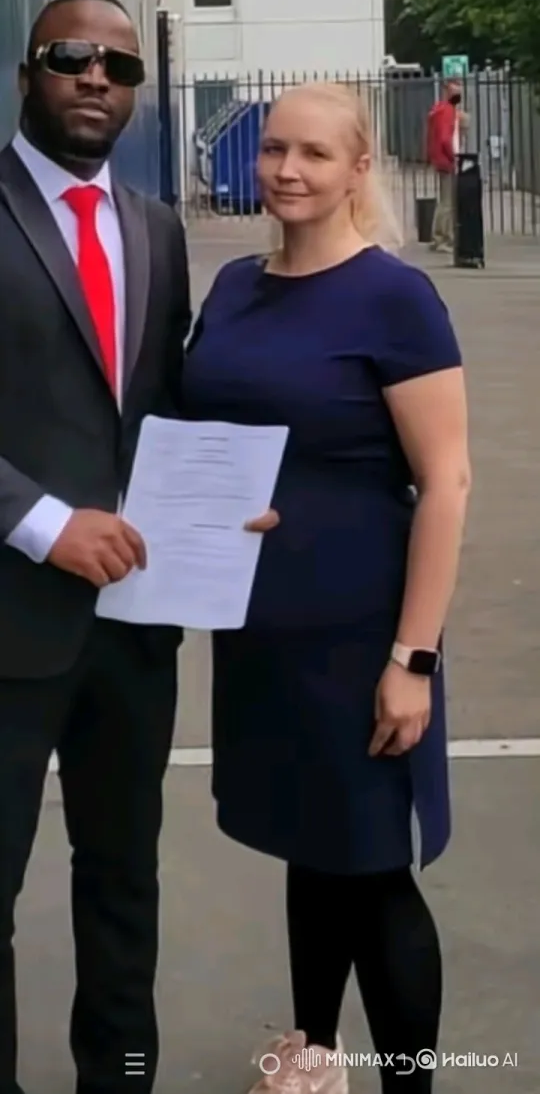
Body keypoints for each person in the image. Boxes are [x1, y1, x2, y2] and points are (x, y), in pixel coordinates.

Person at [0, 0, 276, 1094]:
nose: (97, 80)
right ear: (30, 69)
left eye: (120, 67)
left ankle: (119, 1076)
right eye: (73, 57)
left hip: (132, 627)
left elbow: (156, 407)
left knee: (124, 878)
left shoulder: (156, 225)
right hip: (11, 622)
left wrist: (223, 502)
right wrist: (45, 524)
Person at [182, 82, 471, 1093]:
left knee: (374, 869)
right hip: (263, 628)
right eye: (274, 151)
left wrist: (412, 660)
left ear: (358, 170)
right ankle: (313, 1056)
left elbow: (447, 482)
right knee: (313, 848)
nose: (286, 171)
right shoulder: (233, 288)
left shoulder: (393, 295)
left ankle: (408, 1084)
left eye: (312, 154)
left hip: (362, 633)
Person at [426, 78, 467, 253]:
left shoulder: (444, 110)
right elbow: (445, 138)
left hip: (442, 159)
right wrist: (453, 157)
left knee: (445, 201)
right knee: (448, 203)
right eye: (455, 92)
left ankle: (439, 237)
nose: (458, 95)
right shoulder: (447, 111)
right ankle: (442, 238)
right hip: (447, 160)